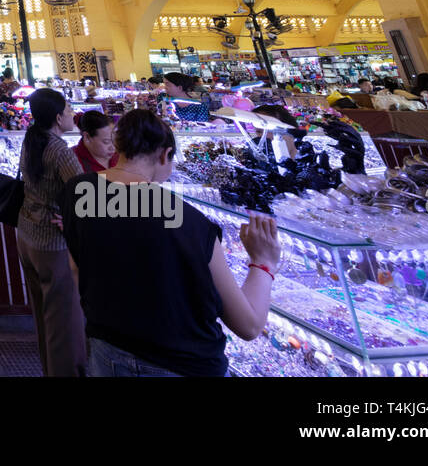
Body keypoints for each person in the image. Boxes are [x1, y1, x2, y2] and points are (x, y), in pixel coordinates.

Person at [61, 109, 281, 377]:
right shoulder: (190, 222)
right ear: (165, 155)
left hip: (107, 350)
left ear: (118, 147)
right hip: (182, 364)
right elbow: (248, 326)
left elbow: (77, 268)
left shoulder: (78, 191)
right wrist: (263, 262)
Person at [16, 88, 87, 377]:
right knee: (65, 326)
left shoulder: (32, 140)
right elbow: (85, 195)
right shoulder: (59, 150)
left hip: (27, 235)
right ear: (58, 118)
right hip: (52, 245)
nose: (72, 115)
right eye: (69, 111)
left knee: (45, 316)